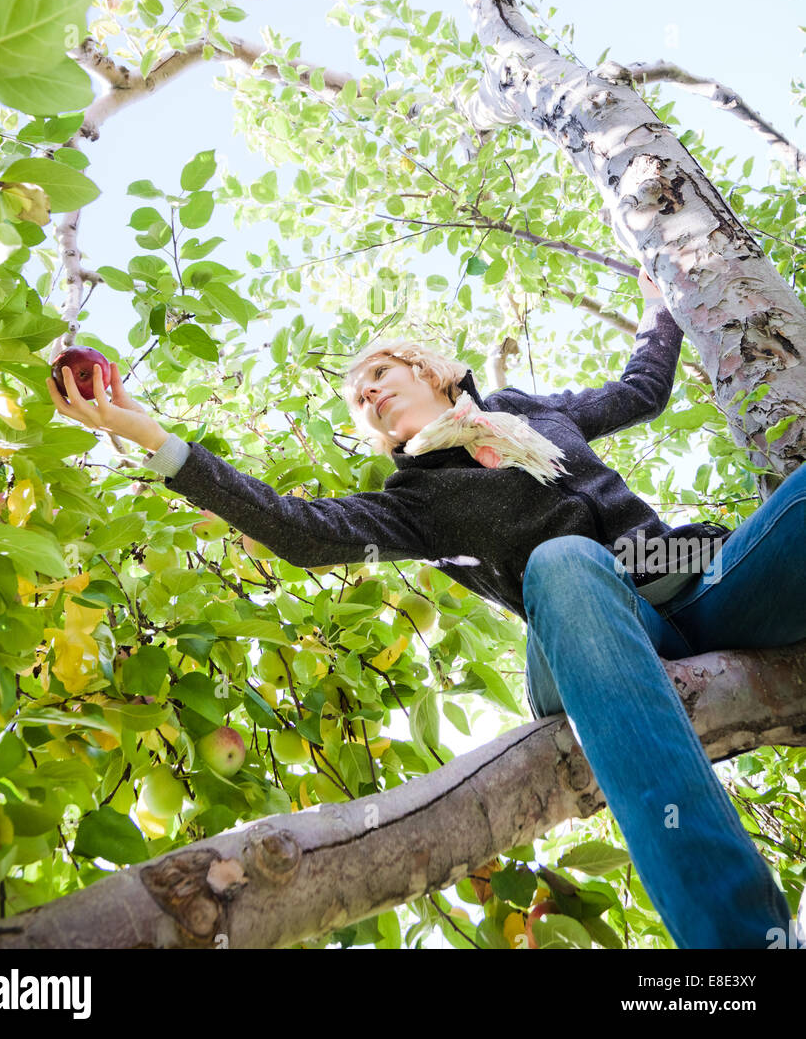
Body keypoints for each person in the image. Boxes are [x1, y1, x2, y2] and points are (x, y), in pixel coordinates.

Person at [47, 269, 805, 950]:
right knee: (566, 559)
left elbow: (642, 390)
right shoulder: (412, 500)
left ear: (428, 369)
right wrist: (150, 437)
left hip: (694, 595)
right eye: (360, 397)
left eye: (379, 373)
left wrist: (659, 307)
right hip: (583, 632)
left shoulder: (529, 412)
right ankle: (740, 943)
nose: (370, 394)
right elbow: (299, 532)